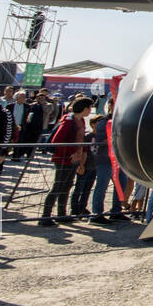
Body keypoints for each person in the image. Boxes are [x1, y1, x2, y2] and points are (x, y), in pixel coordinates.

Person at [39, 96, 92, 226]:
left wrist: (80, 155)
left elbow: (81, 139)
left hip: (73, 159)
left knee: (67, 186)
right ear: (84, 108)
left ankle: (61, 213)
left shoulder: (80, 121)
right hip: (64, 159)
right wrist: (72, 152)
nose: (90, 110)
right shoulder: (69, 121)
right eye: (89, 108)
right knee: (58, 187)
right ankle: (45, 216)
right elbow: (56, 141)